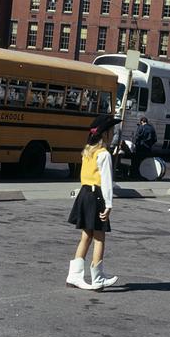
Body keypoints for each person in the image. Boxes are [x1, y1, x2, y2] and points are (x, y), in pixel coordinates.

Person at [66, 114, 121, 290]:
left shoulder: (88, 151)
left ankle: (74, 275)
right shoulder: (104, 154)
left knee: (86, 236)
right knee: (99, 237)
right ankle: (97, 277)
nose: (113, 134)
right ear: (104, 134)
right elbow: (106, 182)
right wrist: (109, 204)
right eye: (111, 131)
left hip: (84, 194)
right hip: (96, 195)